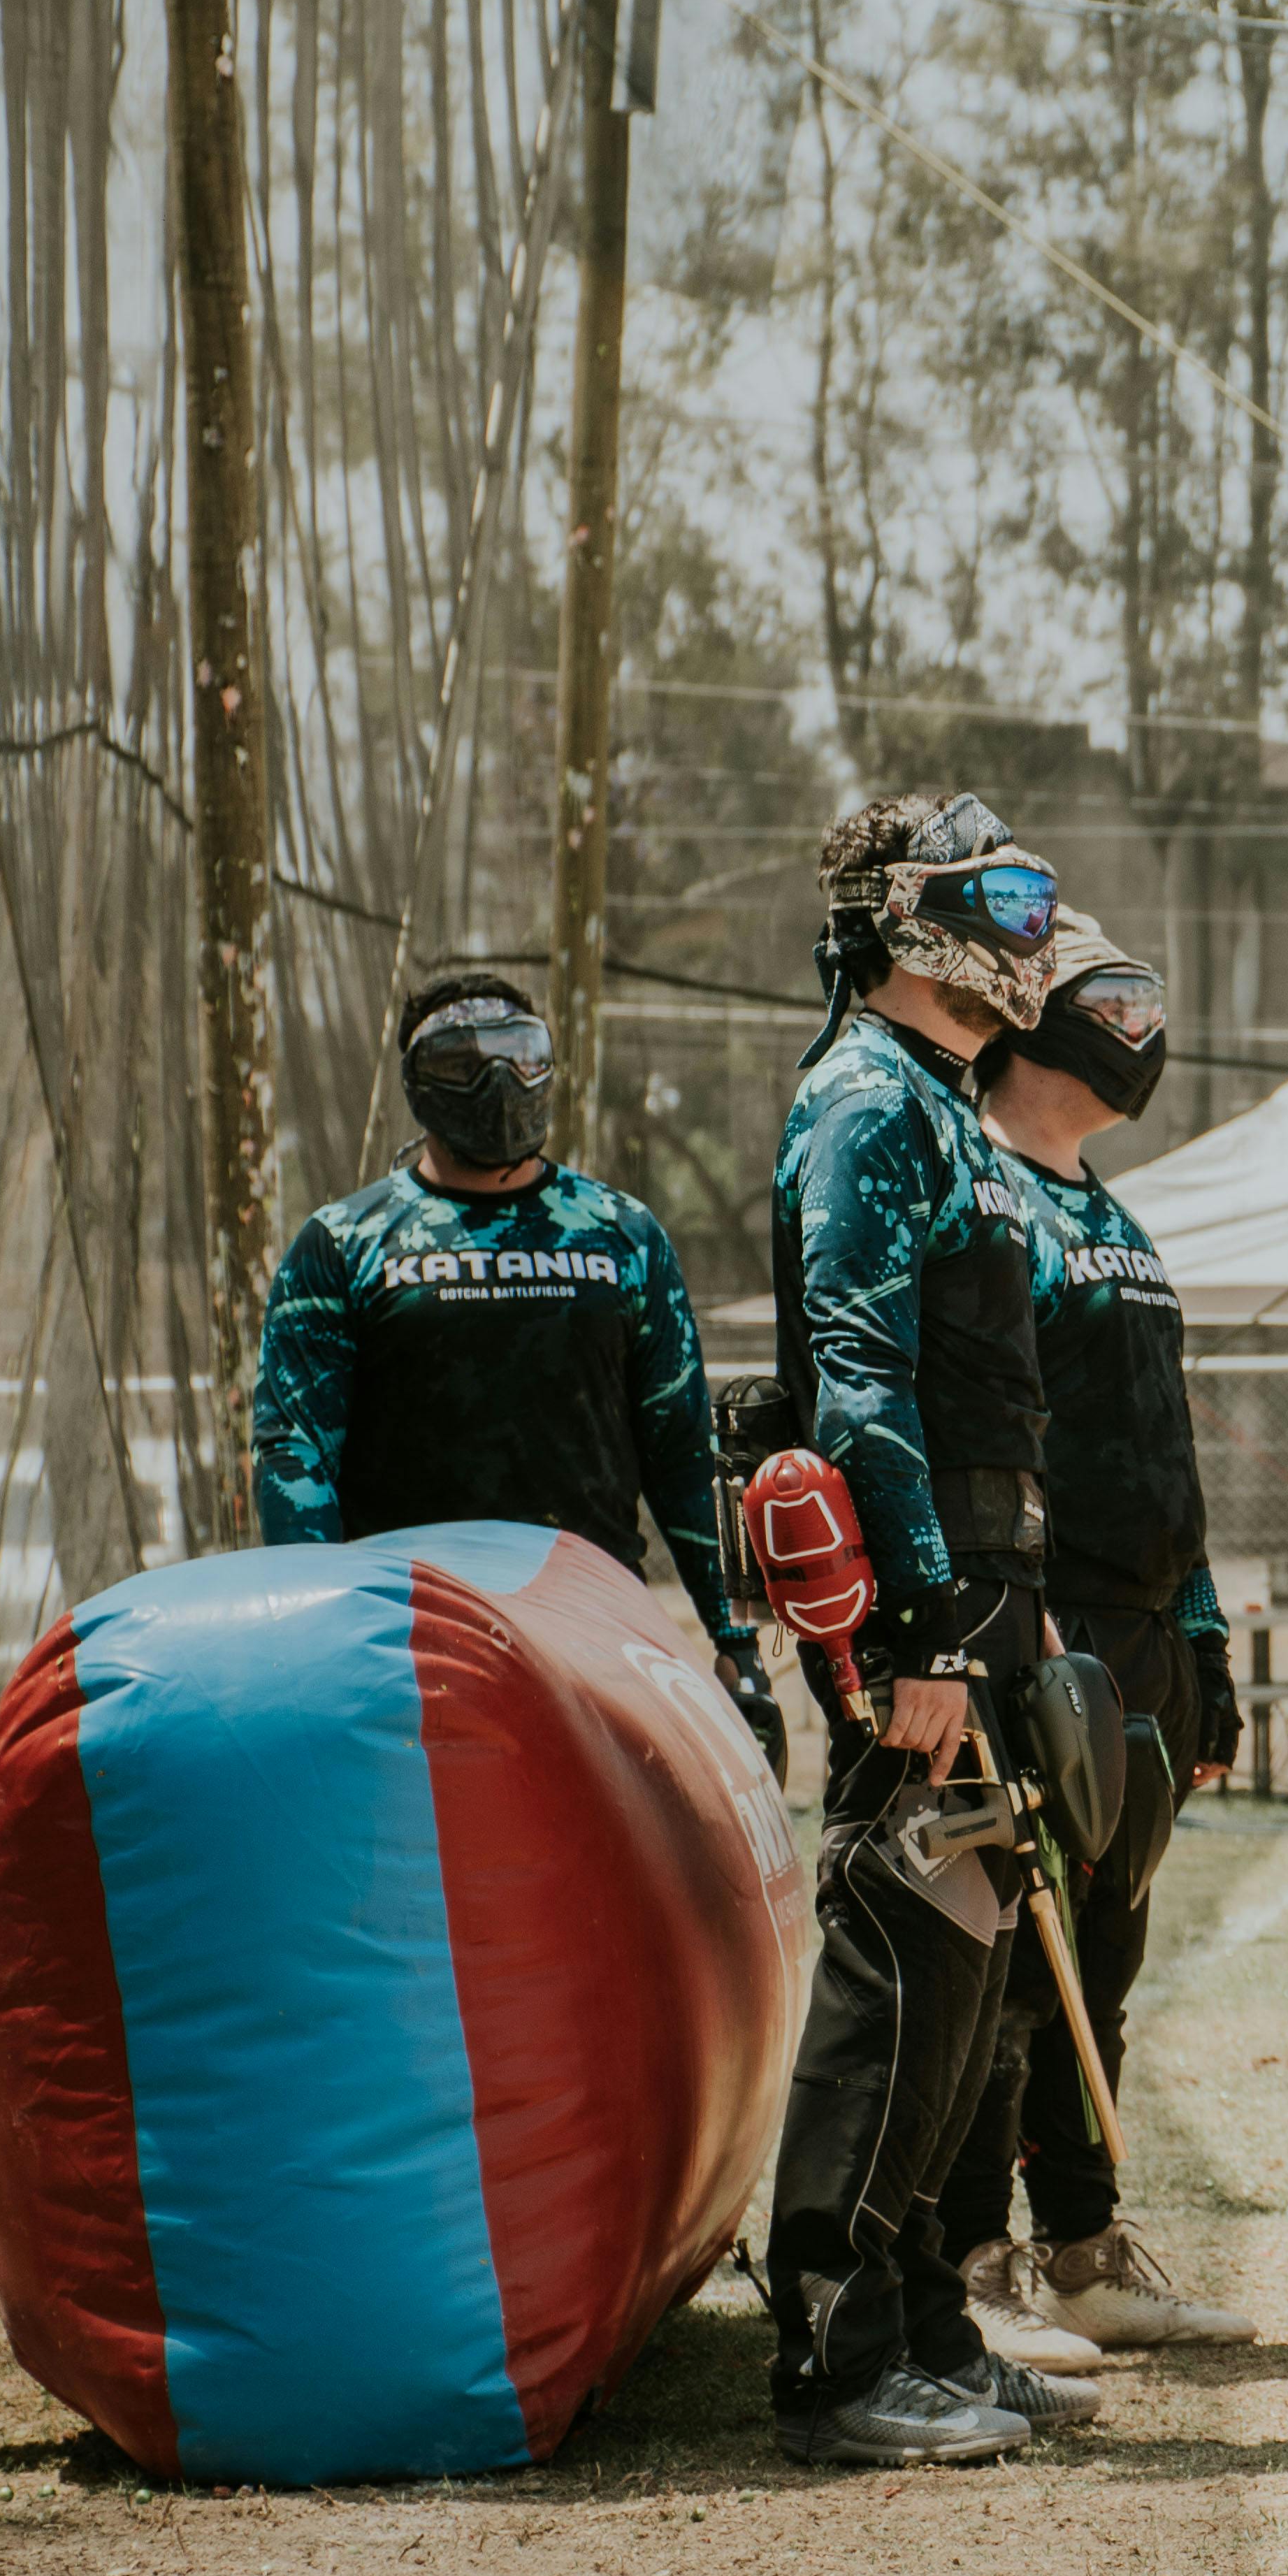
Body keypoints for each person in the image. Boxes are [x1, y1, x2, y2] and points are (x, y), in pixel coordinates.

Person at [761, 791, 1104, 2466]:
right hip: (935, 1603)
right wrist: (921, 1627)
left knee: (973, 1974)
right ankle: (834, 2356)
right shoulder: (863, 1103)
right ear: (906, 920)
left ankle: (928, 2326)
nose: (1029, 933)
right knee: (898, 1962)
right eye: (1000, 901)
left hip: (988, 1584)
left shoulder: (939, 1102)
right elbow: (860, 1374)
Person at [941, 911, 1259, 2366]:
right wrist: (1014, 1627)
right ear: (1027, 1018)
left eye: (1144, 1000)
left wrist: (1205, 1643)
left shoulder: (1112, 1216)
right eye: (1108, 1000)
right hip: (1035, 1630)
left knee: (1103, 1956)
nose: (1138, 1029)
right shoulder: (979, 1191)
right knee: (1009, 1960)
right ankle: (972, 2263)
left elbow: (1164, 1449)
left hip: (1142, 1641)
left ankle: (1082, 2249)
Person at [252, 971, 772, 1745]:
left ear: (546, 1067)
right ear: (418, 1082)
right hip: (410, 1644)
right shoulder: (342, 1246)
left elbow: (683, 1454)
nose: (498, 1082)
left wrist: (739, 1647)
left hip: (593, 1631)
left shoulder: (624, 1235)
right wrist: (324, 1645)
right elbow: (295, 1458)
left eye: (520, 1055)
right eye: (464, 1063)